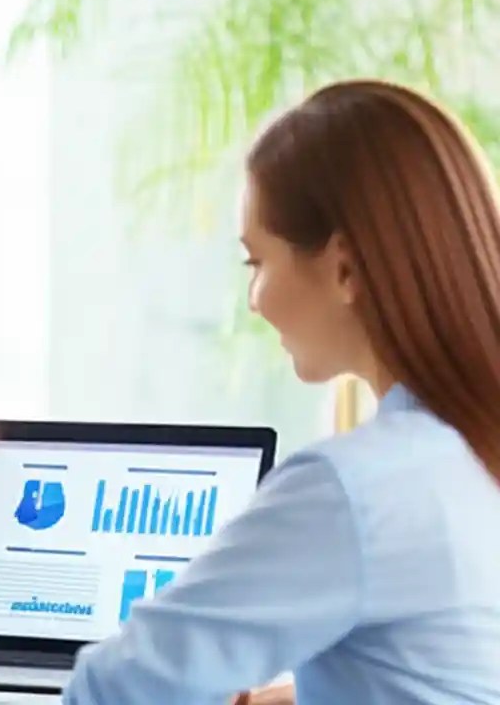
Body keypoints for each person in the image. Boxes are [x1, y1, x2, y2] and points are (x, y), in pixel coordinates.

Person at [62, 79, 500, 705]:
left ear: (345, 268)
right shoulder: (472, 459)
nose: (254, 299)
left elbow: (114, 690)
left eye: (256, 262)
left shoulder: (354, 490)